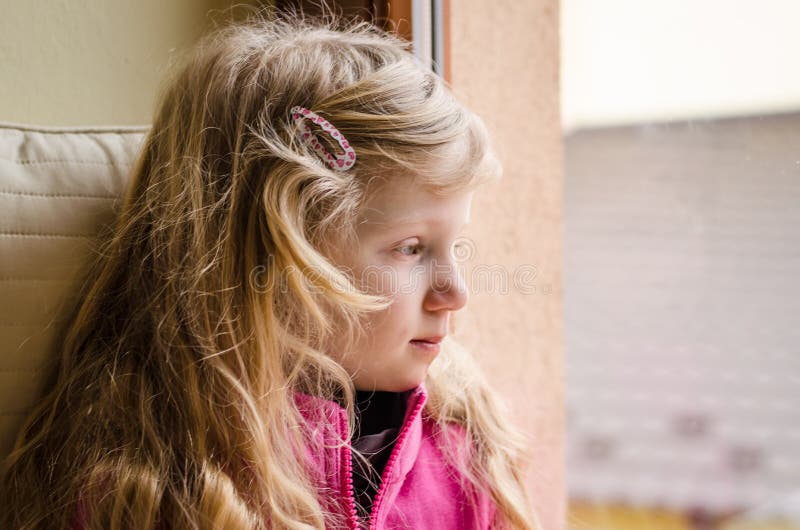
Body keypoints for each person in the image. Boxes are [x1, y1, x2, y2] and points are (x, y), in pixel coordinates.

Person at [0, 9, 542, 530]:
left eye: (456, 246)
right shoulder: (155, 490)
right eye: (410, 248)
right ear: (273, 258)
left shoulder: (465, 452)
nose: (456, 293)